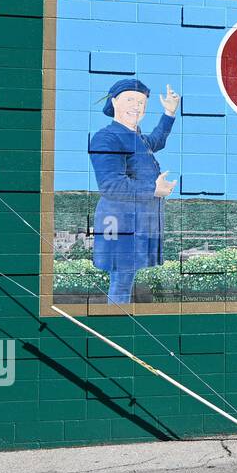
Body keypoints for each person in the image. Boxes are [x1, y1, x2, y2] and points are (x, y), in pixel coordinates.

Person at [89, 78, 180, 304]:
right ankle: (114, 324)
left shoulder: (135, 135)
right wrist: (153, 189)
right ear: (114, 102)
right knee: (121, 281)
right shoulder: (107, 137)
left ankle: (121, 320)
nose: (137, 106)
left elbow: (156, 141)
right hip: (121, 223)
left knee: (127, 279)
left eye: (141, 102)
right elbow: (111, 185)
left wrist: (169, 113)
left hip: (138, 222)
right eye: (130, 99)